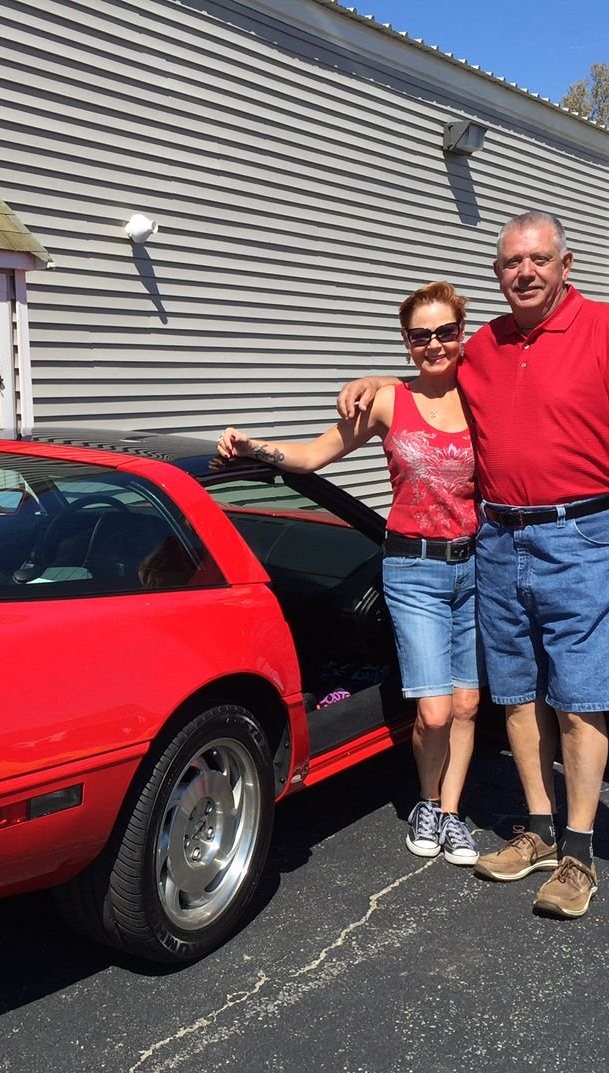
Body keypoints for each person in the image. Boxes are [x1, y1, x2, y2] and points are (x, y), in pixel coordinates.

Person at [338, 211, 609, 919]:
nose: (526, 272)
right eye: (512, 262)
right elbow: (433, 376)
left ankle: (579, 853)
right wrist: (377, 379)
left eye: (539, 259)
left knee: (578, 700)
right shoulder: (485, 343)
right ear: (498, 274)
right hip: (499, 539)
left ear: (565, 266)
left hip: (585, 537)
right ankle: (538, 829)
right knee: (516, 695)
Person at [218, 282, 482, 866]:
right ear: (407, 342)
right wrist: (253, 446)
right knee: (435, 711)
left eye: (445, 332)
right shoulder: (389, 403)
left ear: (463, 333)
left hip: (475, 568)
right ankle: (427, 802)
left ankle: (452, 812)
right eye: (420, 336)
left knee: (467, 706)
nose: (435, 345)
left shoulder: (482, 396)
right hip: (414, 570)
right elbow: (315, 455)